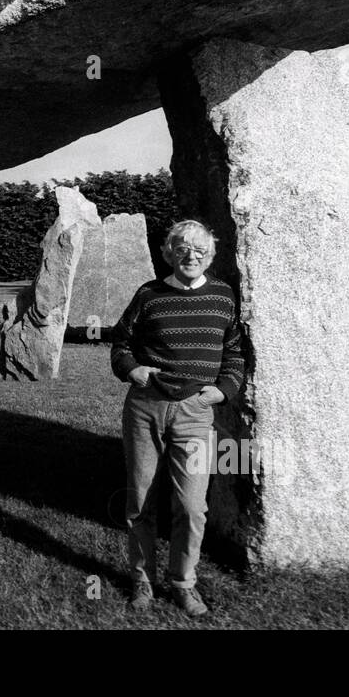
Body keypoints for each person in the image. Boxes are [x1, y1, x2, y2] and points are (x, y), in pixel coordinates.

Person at [110, 219, 245, 616]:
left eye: (200, 251)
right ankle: (142, 580)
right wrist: (130, 369)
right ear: (169, 253)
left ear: (211, 256)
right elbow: (121, 342)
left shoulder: (223, 297)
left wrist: (223, 391)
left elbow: (235, 352)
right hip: (145, 407)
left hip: (195, 414)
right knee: (140, 500)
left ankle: (184, 583)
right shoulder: (149, 294)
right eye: (182, 249)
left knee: (191, 505)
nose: (191, 257)